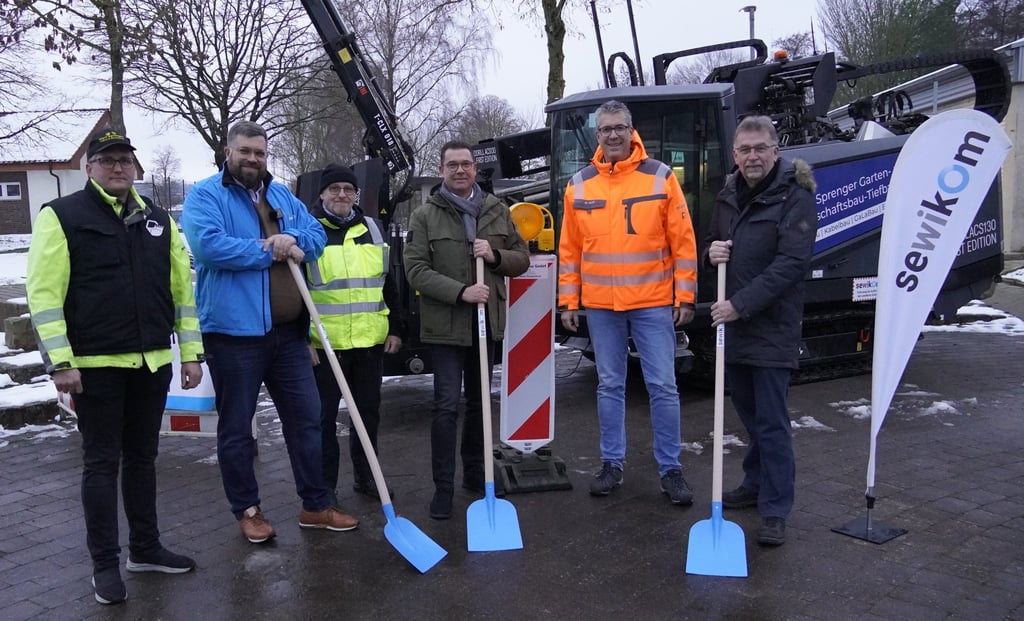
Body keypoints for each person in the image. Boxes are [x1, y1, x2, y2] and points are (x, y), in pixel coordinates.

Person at [26, 127, 203, 605]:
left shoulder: (159, 220)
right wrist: (60, 362)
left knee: (143, 459)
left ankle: (145, 548)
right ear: (90, 168)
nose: (118, 167)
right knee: (101, 464)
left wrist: (190, 352)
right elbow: (44, 295)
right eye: (107, 160)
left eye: (125, 160)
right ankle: (104, 564)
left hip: (151, 363)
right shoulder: (61, 216)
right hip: (94, 366)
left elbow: (182, 292)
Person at [181, 121, 358, 544]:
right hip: (233, 337)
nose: (252, 159)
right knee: (238, 428)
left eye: (259, 153)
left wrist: (291, 236)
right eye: (245, 151)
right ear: (228, 152)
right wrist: (270, 248)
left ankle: (315, 505)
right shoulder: (205, 196)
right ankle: (248, 509)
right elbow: (209, 246)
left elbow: (315, 236)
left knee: (308, 421)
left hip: (289, 336)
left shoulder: (282, 196)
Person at [557, 100, 698, 505]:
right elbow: (570, 250)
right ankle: (611, 464)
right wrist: (569, 301)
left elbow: (683, 242)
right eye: (606, 129)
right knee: (610, 386)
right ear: (597, 135)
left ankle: (671, 470)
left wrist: (685, 295)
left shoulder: (660, 176)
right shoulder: (579, 184)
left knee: (663, 386)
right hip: (602, 307)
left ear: (631, 131)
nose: (613, 134)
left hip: (652, 302)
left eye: (620, 127)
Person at [705, 115, 818, 546]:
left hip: (771, 327)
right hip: (734, 330)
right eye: (745, 150)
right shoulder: (728, 195)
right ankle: (755, 484)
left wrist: (740, 305)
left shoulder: (795, 196)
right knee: (751, 417)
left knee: (771, 423)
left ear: (775, 151)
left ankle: (775, 508)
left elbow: (791, 264)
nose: (752, 157)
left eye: (760, 149)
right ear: (735, 155)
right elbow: (712, 244)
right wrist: (710, 252)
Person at [404, 140, 530, 520]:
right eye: (452, 165)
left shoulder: (497, 210)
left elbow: (522, 259)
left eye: (466, 164)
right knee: (445, 406)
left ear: (475, 169)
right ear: (441, 170)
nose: (460, 170)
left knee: (479, 403)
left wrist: (494, 255)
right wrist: (461, 292)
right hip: (446, 327)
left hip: (485, 324)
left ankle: (476, 474)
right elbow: (416, 271)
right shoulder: (425, 216)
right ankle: (443, 488)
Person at [304, 163, 404, 504]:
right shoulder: (309, 232)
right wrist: (302, 339)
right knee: (323, 420)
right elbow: (296, 291)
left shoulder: (373, 230)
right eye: (334, 189)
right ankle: (325, 489)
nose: (342, 195)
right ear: (322, 193)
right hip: (325, 347)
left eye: (348, 189)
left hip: (368, 344)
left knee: (367, 416)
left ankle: (367, 477)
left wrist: (396, 328)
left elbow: (388, 284)